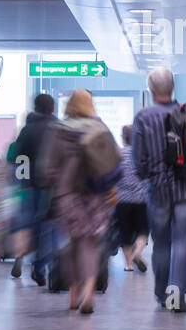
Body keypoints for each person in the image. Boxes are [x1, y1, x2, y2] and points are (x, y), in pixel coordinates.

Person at [45, 89, 120, 314]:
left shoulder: (59, 130)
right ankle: (89, 292)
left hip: (67, 194)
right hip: (95, 194)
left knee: (73, 242)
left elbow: (48, 168)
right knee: (89, 244)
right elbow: (115, 159)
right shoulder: (100, 128)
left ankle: (73, 294)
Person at [131, 67, 186, 312]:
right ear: (172, 88)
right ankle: (176, 296)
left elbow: (138, 159)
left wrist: (146, 176)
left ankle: (162, 294)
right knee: (182, 242)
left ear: (151, 90)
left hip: (158, 189)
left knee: (162, 244)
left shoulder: (144, 117)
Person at [9, 92, 60, 286]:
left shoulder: (26, 128)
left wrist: (21, 182)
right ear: (52, 108)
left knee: (27, 222)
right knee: (48, 226)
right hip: (49, 185)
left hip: (27, 184)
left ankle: (21, 253)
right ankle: (40, 266)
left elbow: (17, 158)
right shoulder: (56, 128)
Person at [114, 124, 149, 272]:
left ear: (123, 138)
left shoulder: (118, 155)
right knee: (143, 230)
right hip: (141, 199)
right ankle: (138, 253)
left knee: (125, 233)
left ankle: (128, 265)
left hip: (122, 200)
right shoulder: (141, 155)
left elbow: (113, 177)